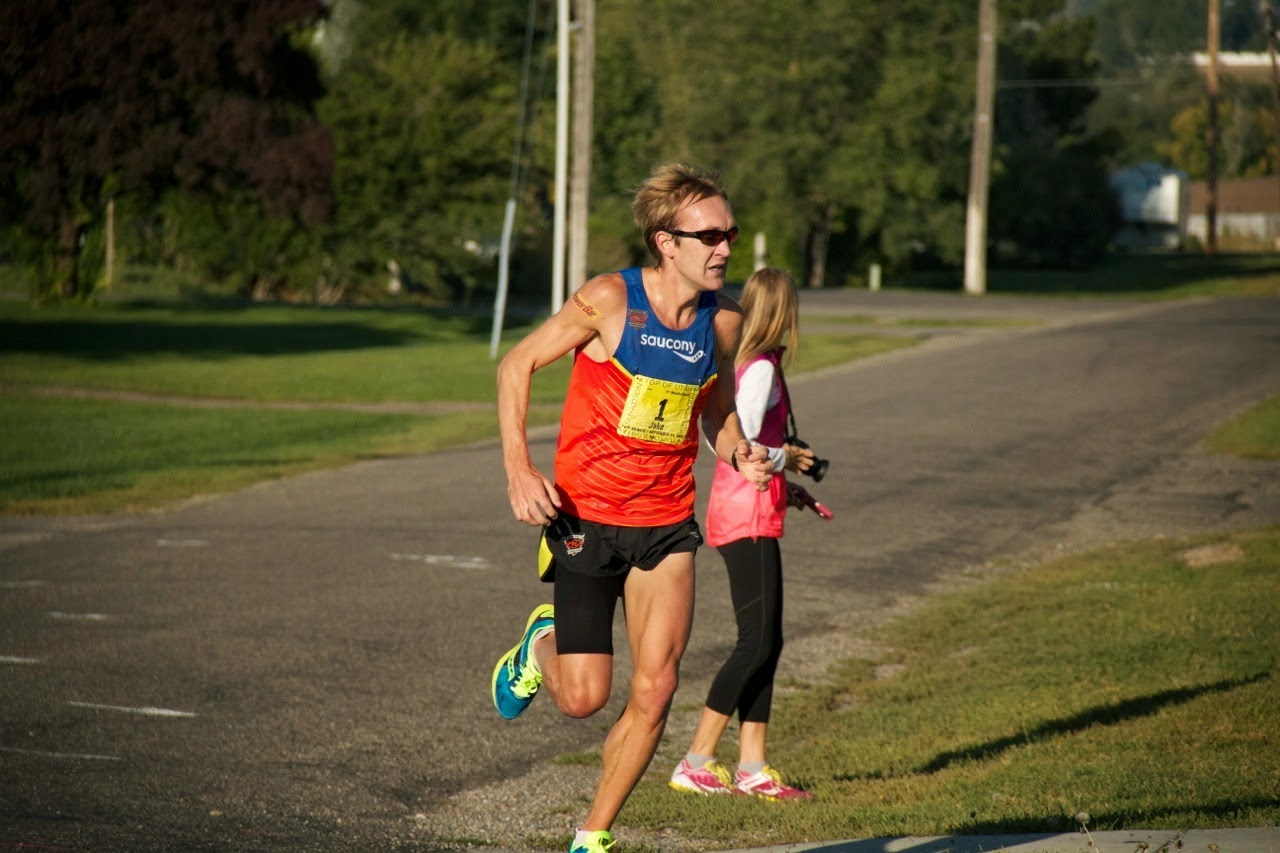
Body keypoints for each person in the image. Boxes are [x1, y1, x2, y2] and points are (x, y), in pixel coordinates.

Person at [490, 163, 774, 853]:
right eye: (708, 235)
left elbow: (715, 411)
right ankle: (539, 643)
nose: (725, 248)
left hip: (665, 525)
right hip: (584, 517)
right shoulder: (608, 301)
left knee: (658, 686)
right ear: (664, 242)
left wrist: (739, 450)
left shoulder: (725, 322)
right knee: (583, 697)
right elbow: (515, 364)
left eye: (729, 233)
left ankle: (592, 837)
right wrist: (519, 469)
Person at [668, 267, 820, 802]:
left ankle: (753, 765)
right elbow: (746, 443)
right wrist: (791, 459)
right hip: (743, 515)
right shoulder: (759, 371)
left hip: (756, 508)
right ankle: (696, 760)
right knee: (754, 640)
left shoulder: (754, 363)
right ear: (785, 313)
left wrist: (789, 488)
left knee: (767, 642)